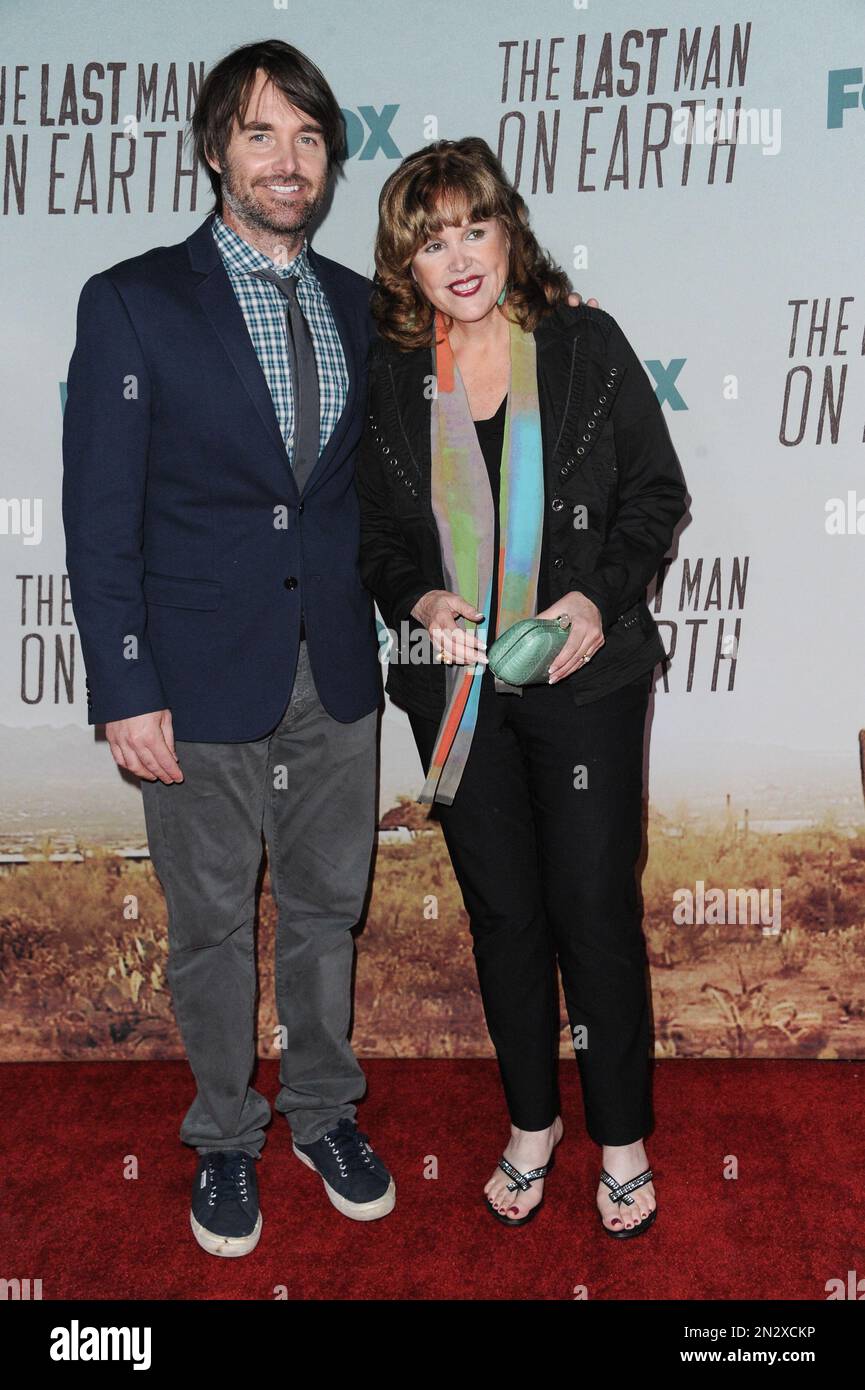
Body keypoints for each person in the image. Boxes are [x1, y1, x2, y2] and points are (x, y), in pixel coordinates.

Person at [61, 40, 398, 1257]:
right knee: (207, 920)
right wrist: (124, 685)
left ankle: (322, 1111)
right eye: (261, 133)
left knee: (325, 908)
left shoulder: (367, 306)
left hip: (335, 668)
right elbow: (100, 515)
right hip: (193, 673)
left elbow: (390, 488)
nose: (287, 159)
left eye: (308, 136)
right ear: (216, 149)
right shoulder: (136, 298)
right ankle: (220, 1134)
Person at [356, 138, 689, 1236]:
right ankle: (532, 1124)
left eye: (472, 227)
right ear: (404, 265)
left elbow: (654, 494)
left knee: (592, 908)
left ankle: (623, 1136)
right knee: (504, 913)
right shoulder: (396, 380)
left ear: (509, 232)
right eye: (428, 238)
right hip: (454, 694)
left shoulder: (584, 344)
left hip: (582, 679)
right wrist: (419, 601)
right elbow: (374, 539)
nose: (455, 255)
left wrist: (593, 602)